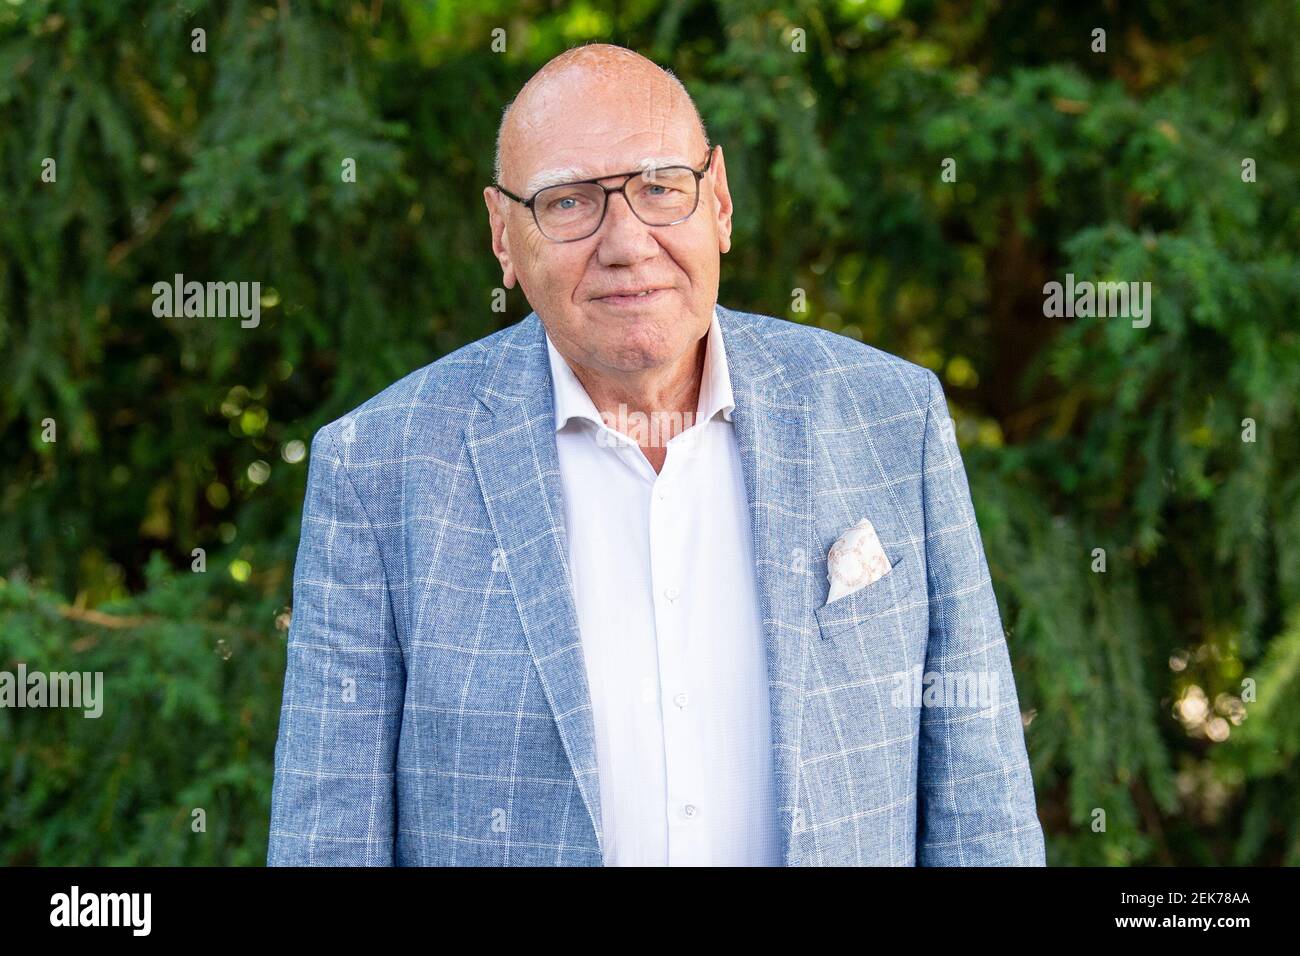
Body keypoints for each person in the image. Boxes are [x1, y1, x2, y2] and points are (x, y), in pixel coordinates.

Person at [268, 43, 1046, 867]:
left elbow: (983, 814)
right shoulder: (378, 467)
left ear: (720, 203)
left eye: (661, 188)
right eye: (570, 202)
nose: (627, 243)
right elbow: (327, 844)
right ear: (503, 235)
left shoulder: (890, 417)